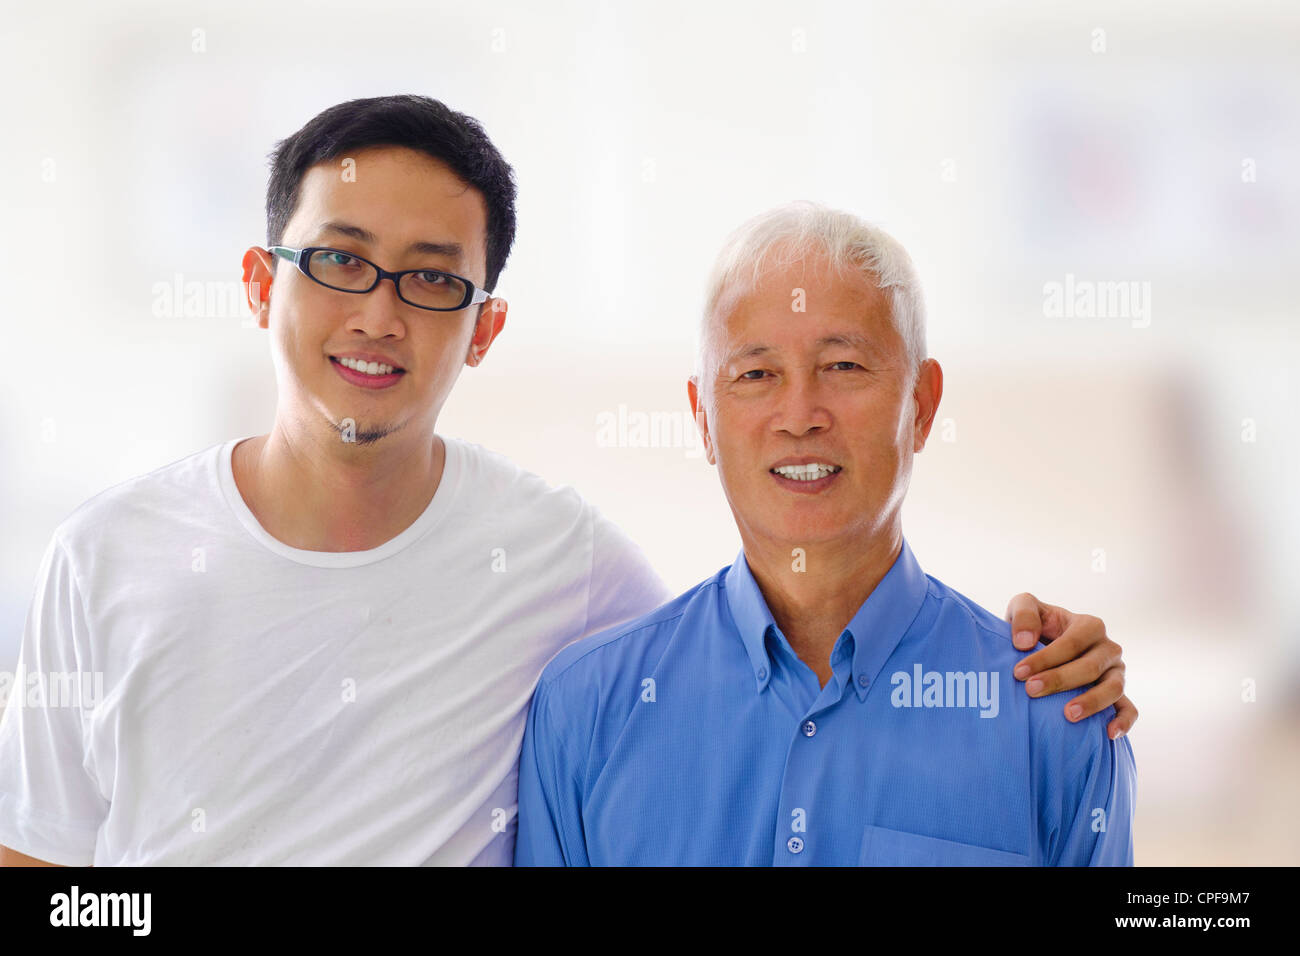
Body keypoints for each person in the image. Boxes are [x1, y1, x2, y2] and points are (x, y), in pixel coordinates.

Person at [0, 97, 1133, 867]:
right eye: (340, 259)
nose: (380, 311)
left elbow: (783, 633)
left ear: (483, 327)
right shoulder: (100, 560)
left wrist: (1053, 661)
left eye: (432, 280)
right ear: (260, 282)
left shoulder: (562, 567)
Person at [515, 202, 1136, 866]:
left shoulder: (1054, 719)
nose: (800, 415)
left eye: (843, 367)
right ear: (702, 421)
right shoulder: (584, 711)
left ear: (921, 406)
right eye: (756, 374)